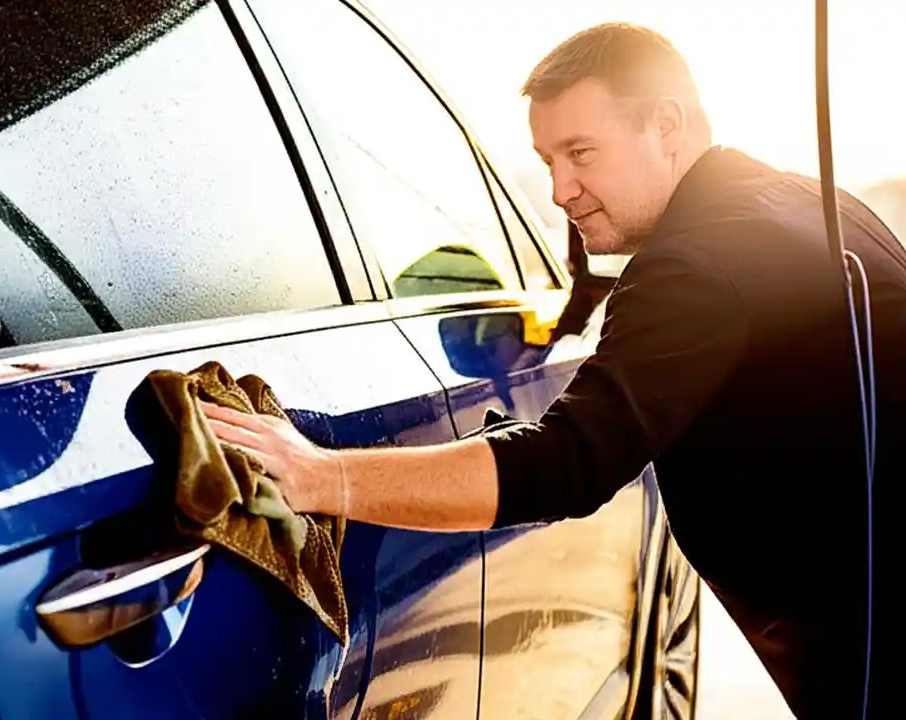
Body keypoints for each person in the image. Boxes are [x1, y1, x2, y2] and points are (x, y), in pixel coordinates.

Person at [199, 22, 904, 719]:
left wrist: (322, 475)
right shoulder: (817, 207)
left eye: (581, 153)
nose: (563, 188)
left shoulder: (691, 267)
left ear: (666, 126)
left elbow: (568, 463)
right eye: (548, 162)